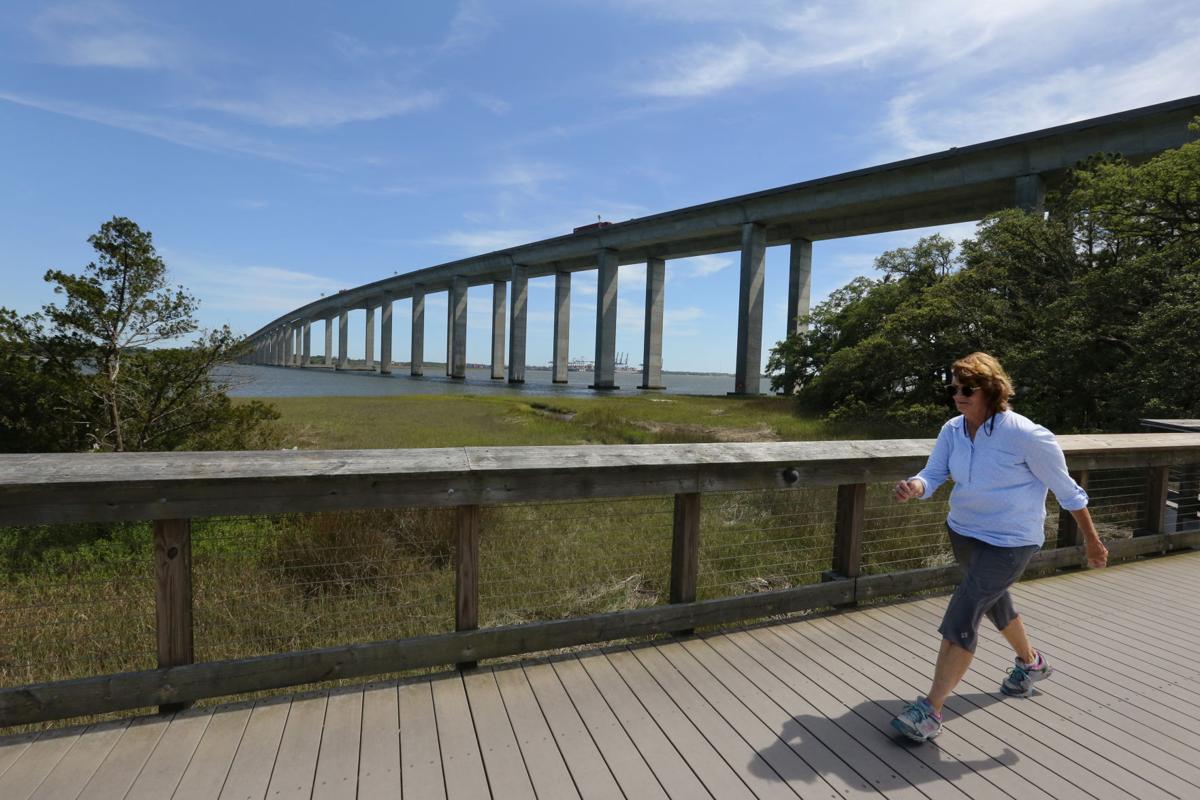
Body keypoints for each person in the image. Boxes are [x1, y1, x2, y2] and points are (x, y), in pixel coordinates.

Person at [889, 352, 1109, 744]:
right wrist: (915, 487)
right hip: (964, 532)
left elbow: (1068, 492)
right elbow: (934, 473)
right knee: (994, 602)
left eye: (967, 388)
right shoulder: (953, 430)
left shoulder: (1026, 435)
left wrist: (1092, 542)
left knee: (965, 607)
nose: (958, 395)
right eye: (953, 387)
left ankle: (930, 709)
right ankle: (1031, 664)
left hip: (1011, 541)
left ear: (992, 390)